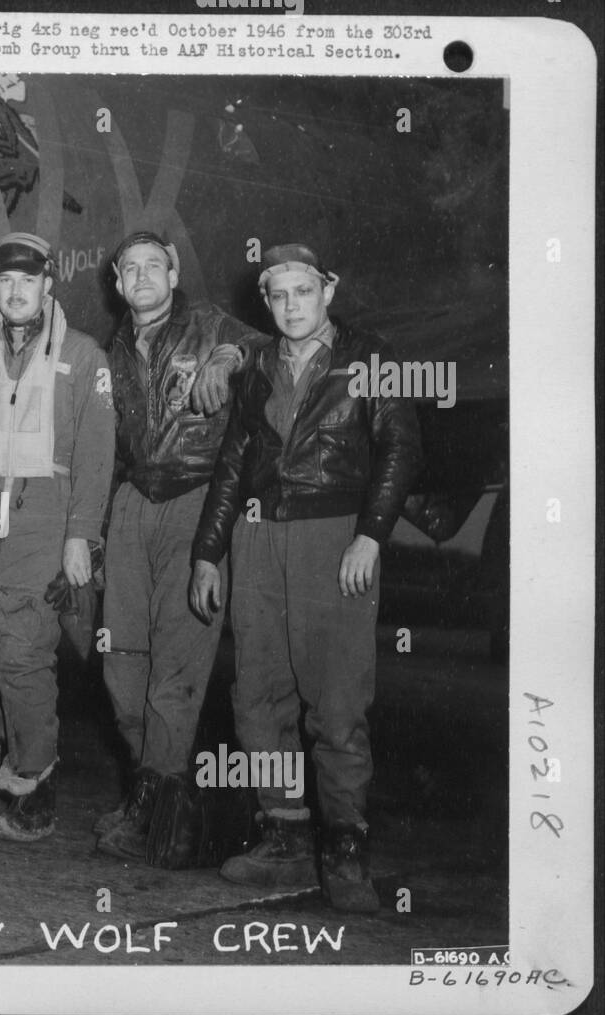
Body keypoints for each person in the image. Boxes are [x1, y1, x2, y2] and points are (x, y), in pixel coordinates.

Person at [189, 243, 422, 911]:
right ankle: (283, 833)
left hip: (335, 536)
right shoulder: (258, 364)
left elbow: (402, 447)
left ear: (328, 292)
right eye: (278, 295)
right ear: (267, 302)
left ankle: (346, 850)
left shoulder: (369, 359)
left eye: (303, 291)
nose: (291, 306)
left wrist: (370, 536)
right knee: (258, 694)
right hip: (259, 537)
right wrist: (208, 552)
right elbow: (233, 462)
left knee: (338, 701)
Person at [96, 231, 268, 867]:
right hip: (132, 501)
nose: (142, 276)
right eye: (130, 268)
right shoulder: (113, 351)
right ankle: (157, 790)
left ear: (173, 276)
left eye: (154, 266)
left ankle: (158, 809)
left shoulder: (208, 323)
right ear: (118, 284)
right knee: (121, 662)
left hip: (195, 500)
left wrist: (225, 356)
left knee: (177, 660)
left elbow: (267, 346)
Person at [0, 232, 115, 842]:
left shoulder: (85, 356)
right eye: (5, 280)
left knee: (21, 644)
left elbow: (96, 455)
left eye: (28, 280)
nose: (16, 291)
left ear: (48, 284)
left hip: (44, 507)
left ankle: (32, 784)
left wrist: (81, 535)